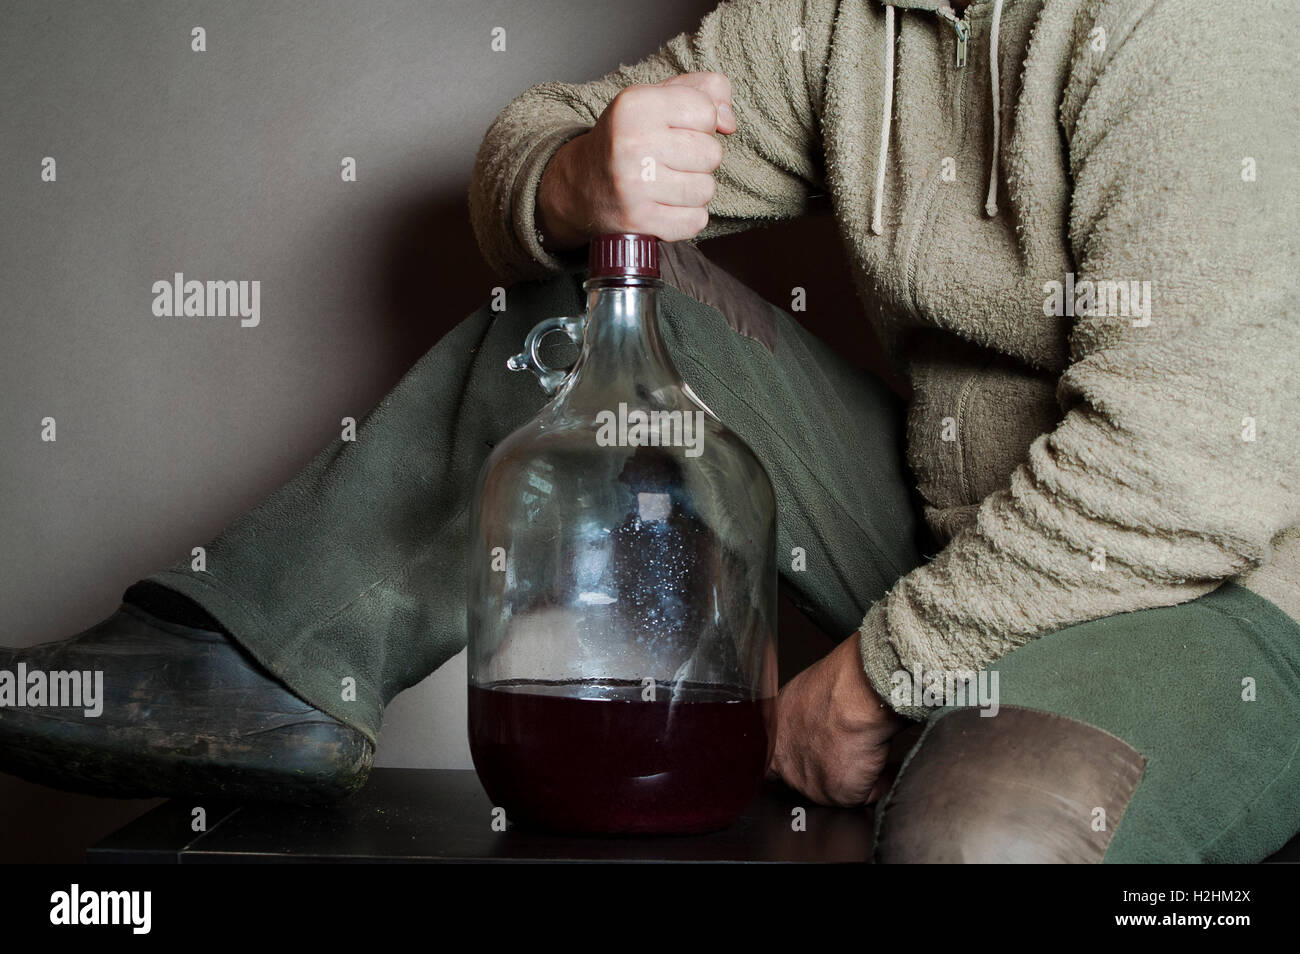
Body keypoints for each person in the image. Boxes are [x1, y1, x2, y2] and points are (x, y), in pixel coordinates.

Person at [3, 0, 1298, 862]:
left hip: (1226, 593)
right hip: (966, 527)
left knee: (987, 833)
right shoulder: (838, 21)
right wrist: (579, 178)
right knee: (614, 280)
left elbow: (1186, 468)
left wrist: (883, 671)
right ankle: (271, 659)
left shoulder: (1184, 26)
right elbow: (548, 132)